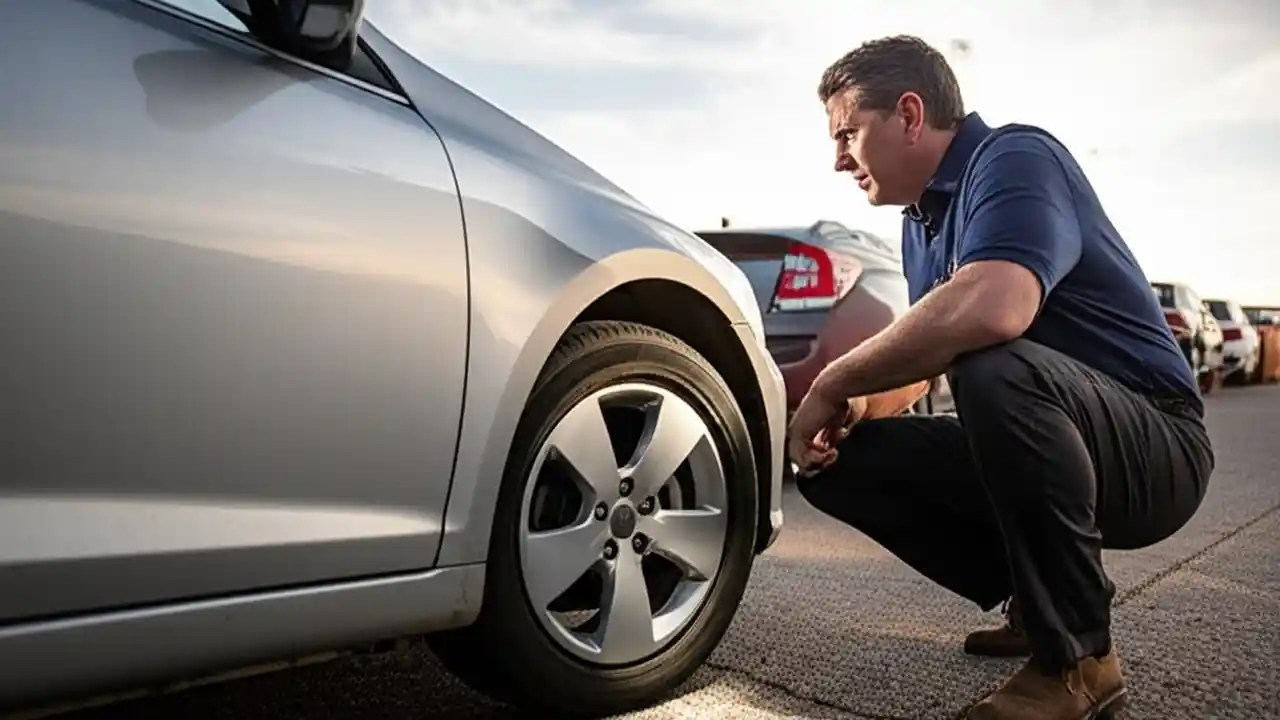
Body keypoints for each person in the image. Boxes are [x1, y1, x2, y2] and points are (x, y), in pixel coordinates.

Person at [789, 35, 1214, 720]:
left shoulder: (1013, 158)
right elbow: (927, 359)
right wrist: (858, 403)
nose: (838, 159)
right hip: (1052, 423)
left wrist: (831, 379)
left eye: (848, 133)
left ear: (907, 113)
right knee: (837, 463)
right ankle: (1040, 600)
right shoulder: (918, 226)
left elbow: (995, 307)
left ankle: (1078, 659)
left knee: (995, 365)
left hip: (1156, 444)